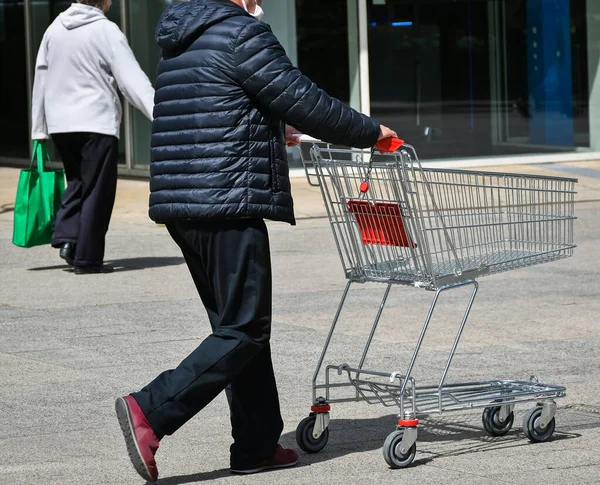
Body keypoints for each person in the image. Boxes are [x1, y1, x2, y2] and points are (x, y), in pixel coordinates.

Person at [114, 0, 398, 481]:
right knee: (243, 330)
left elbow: (214, 107)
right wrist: (370, 133)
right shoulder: (242, 33)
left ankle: (257, 444)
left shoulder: (181, 40)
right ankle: (151, 409)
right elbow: (303, 99)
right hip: (227, 199)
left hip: (185, 202)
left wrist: (270, 128)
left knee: (237, 329)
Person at [31, 0, 155, 274]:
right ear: (105, 2)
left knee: (76, 181)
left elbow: (42, 78)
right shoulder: (106, 31)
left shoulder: (55, 29)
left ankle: (67, 238)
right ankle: (87, 259)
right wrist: (159, 112)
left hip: (61, 125)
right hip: (96, 122)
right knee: (97, 190)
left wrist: (38, 127)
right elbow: (130, 79)